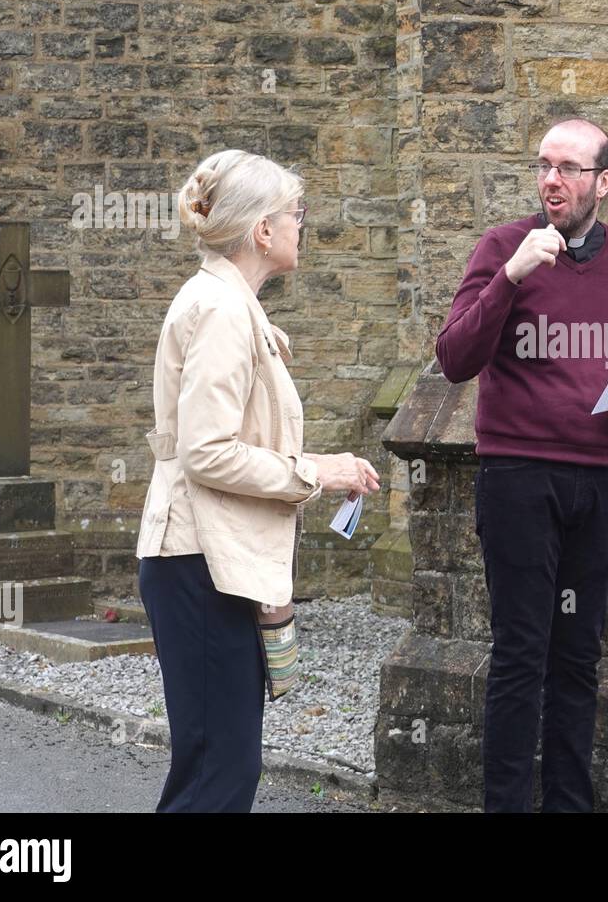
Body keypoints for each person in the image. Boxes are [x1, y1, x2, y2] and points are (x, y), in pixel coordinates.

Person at [136, 149, 379, 812]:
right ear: (262, 232)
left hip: (212, 561)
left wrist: (328, 468)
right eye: (295, 214)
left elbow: (234, 440)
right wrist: (315, 473)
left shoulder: (229, 304)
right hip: (200, 564)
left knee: (217, 770)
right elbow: (206, 452)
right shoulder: (219, 310)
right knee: (220, 774)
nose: (304, 225)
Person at [436, 117, 608, 812]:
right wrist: (508, 278)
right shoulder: (505, 246)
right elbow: (454, 359)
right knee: (519, 656)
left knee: (578, 658)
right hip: (518, 478)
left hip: (598, 480)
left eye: (567, 167)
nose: (551, 180)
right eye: (543, 166)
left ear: (604, 182)